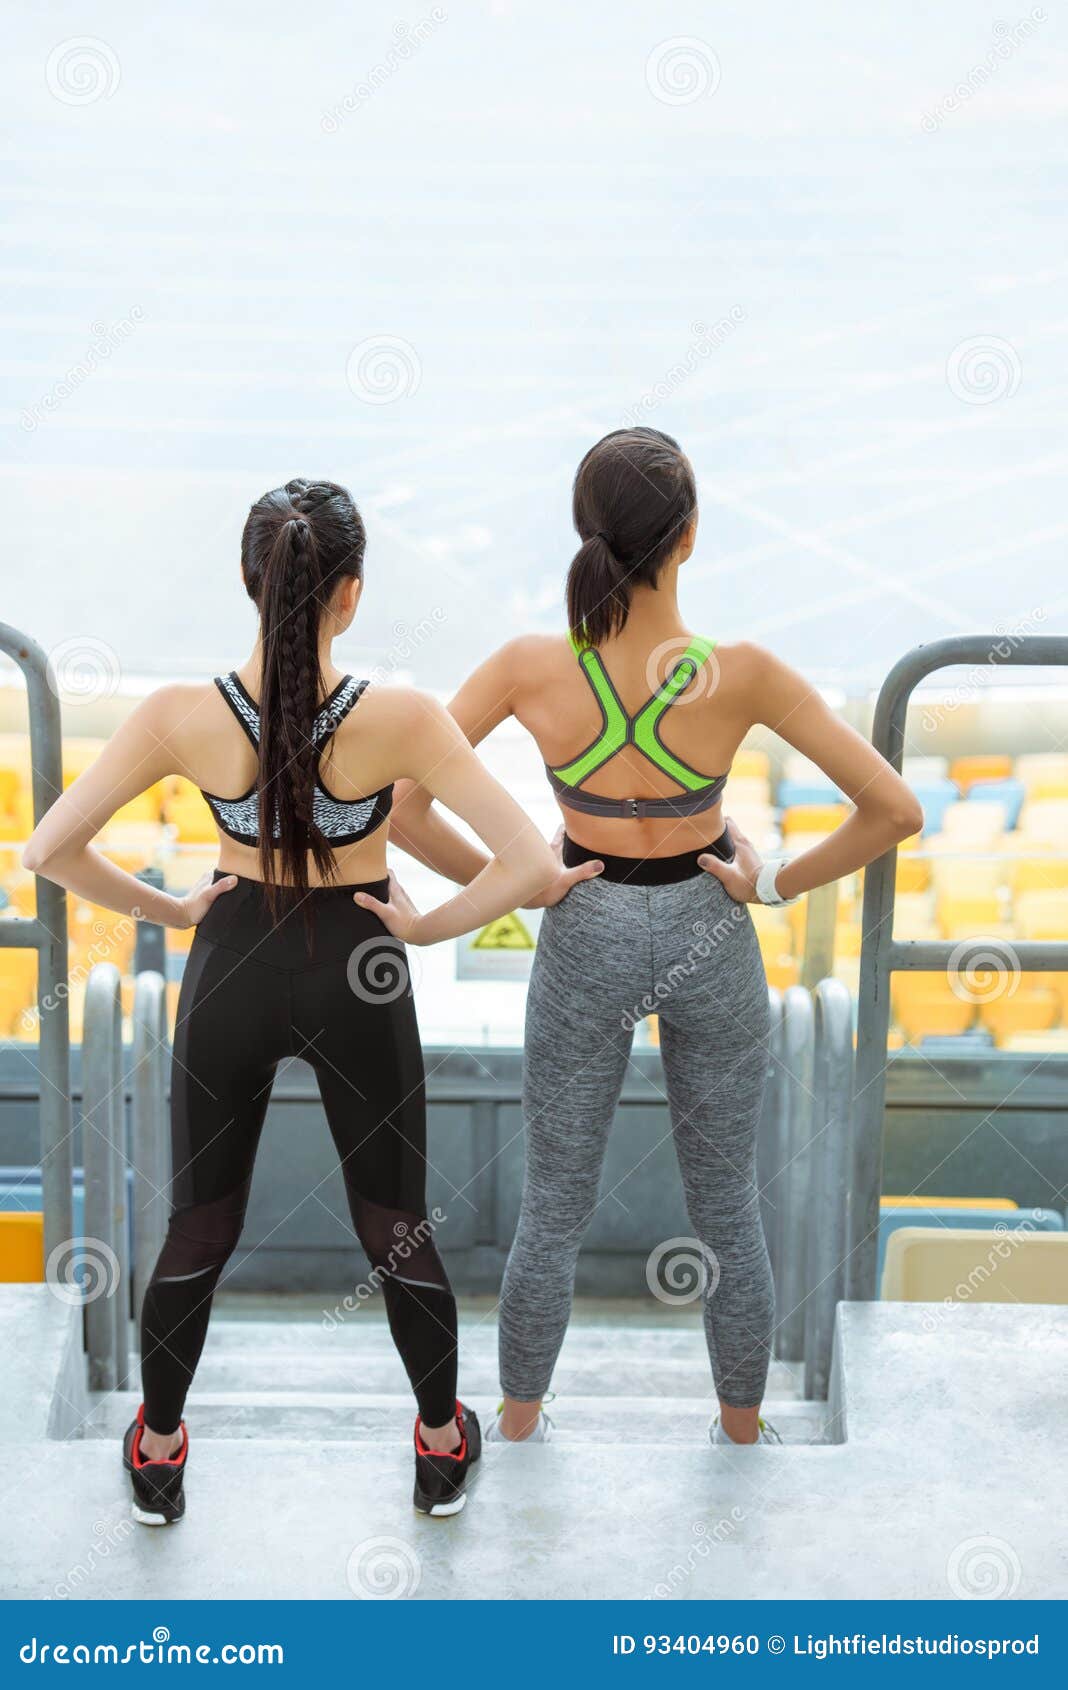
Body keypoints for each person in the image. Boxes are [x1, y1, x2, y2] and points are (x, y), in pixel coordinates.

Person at [378, 427, 923, 1449]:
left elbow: (403, 810)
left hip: (583, 927)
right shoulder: (747, 672)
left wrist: (522, 883)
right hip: (708, 925)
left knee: (551, 1206)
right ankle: (743, 1433)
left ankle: (522, 1425)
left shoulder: (527, 667)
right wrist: (772, 882)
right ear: (691, 536)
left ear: (586, 531)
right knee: (727, 1208)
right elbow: (892, 808)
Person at [23, 477, 555, 1521]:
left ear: (246, 582)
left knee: (199, 1228)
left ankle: (161, 1448)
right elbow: (528, 865)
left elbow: (50, 848)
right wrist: (421, 925)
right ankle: (442, 1444)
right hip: (361, 960)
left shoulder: (182, 712)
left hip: (231, 960)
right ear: (350, 595)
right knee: (397, 1228)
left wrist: (171, 911)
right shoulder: (401, 716)